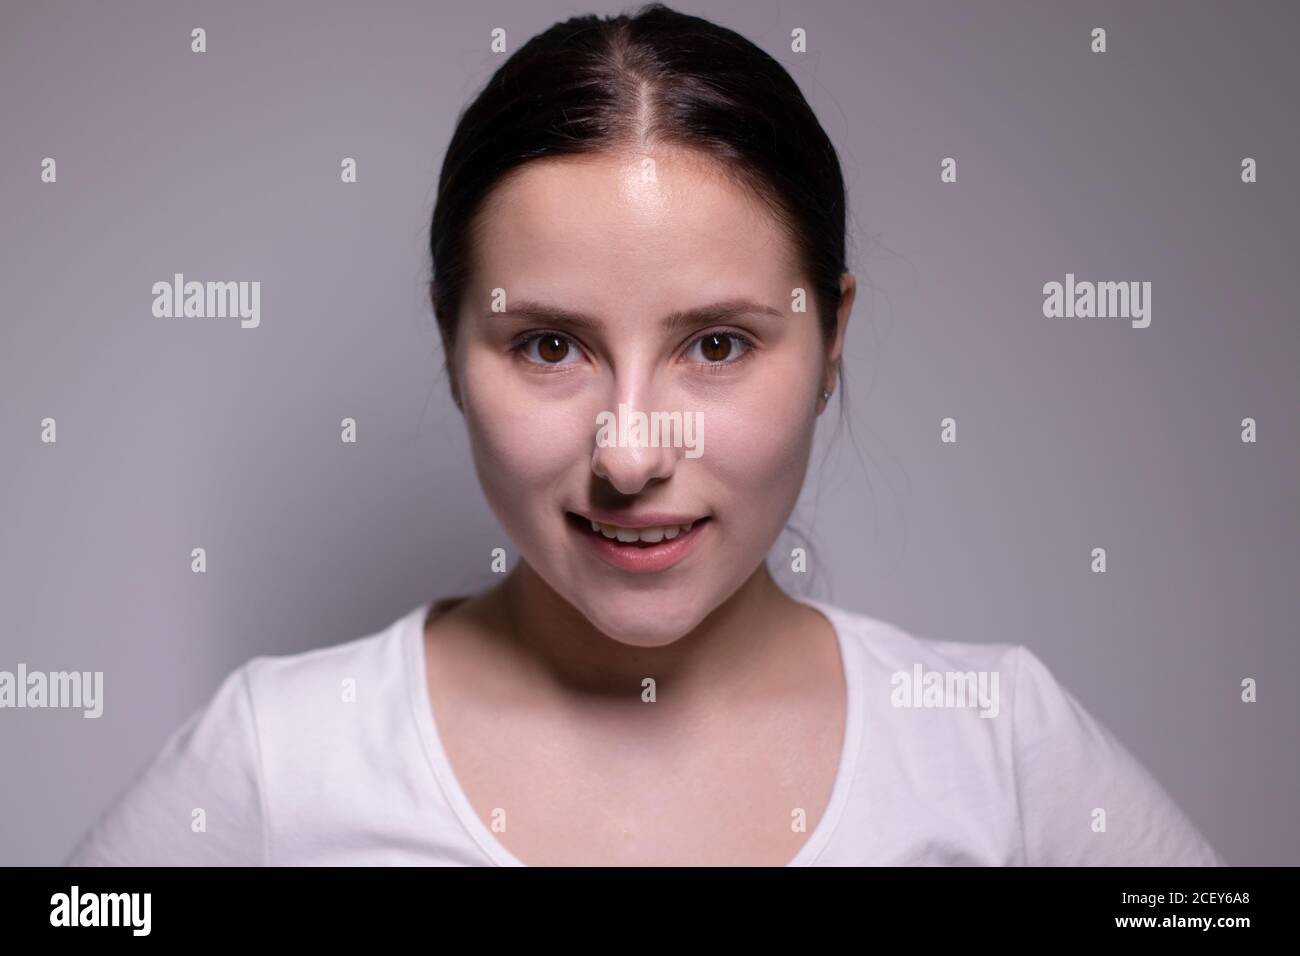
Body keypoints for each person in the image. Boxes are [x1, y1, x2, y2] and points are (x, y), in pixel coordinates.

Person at [65, 2, 1224, 867]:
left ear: (830, 342)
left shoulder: (998, 747)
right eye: (549, 346)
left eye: (717, 344)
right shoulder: (279, 756)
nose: (629, 453)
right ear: (449, 340)